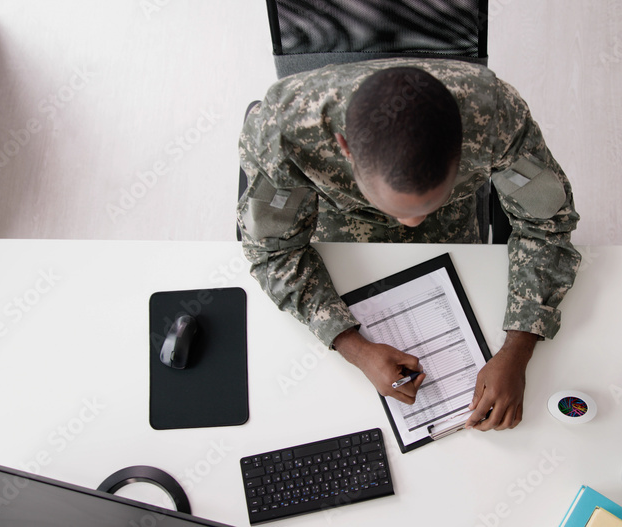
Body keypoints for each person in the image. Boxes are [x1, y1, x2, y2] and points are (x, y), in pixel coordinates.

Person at [237, 58, 580, 431]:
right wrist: (354, 348)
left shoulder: (496, 119)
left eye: (423, 206)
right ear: (344, 149)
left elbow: (548, 223)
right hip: (340, 230)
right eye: (397, 209)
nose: (413, 224)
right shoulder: (283, 134)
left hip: (453, 226)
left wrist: (518, 348)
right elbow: (272, 250)